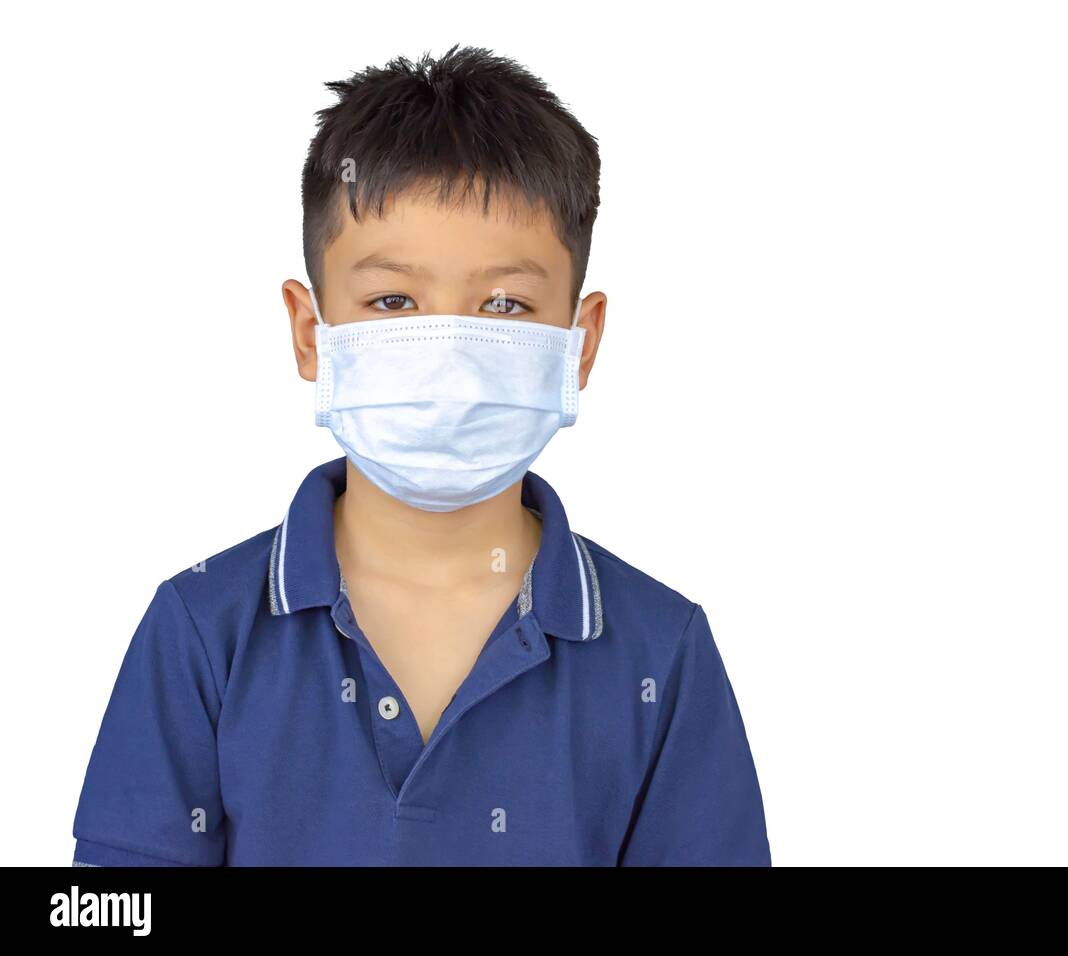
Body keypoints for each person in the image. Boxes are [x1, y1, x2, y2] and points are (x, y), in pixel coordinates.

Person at [71, 44, 770, 866]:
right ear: (310, 332)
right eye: (393, 300)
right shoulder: (201, 631)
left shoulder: (662, 650)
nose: (451, 356)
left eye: (506, 303)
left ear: (578, 344)